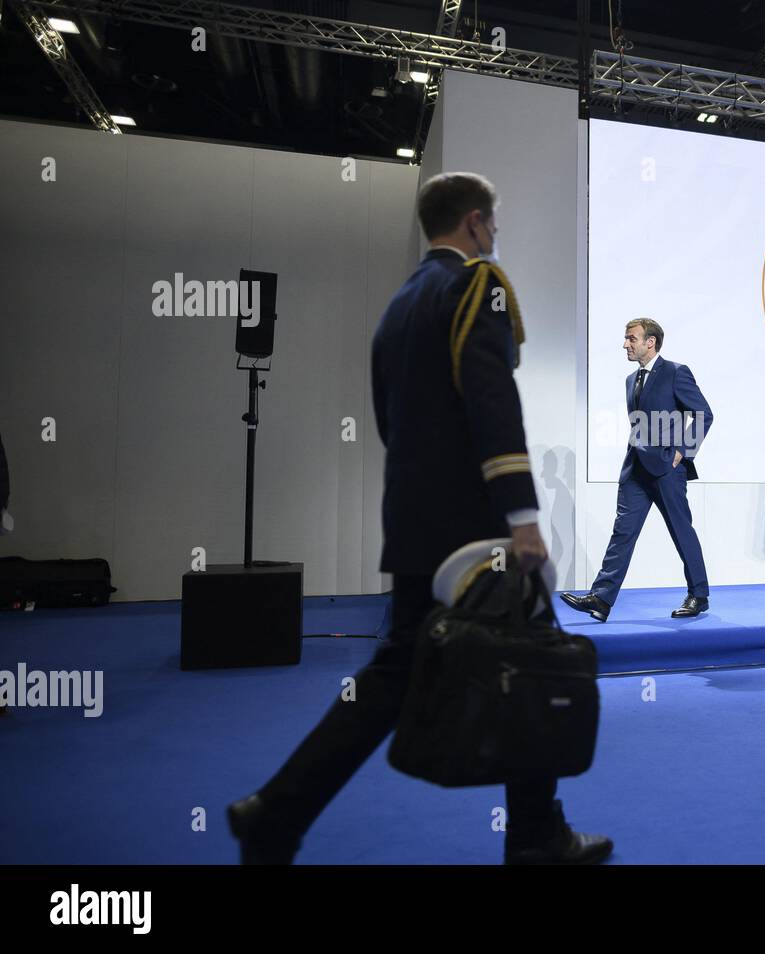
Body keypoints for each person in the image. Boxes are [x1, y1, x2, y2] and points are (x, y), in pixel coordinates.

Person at [226, 172, 612, 865]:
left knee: (397, 675)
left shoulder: (401, 303)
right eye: (492, 224)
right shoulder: (478, 284)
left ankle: (276, 812)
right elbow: (493, 403)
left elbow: (387, 418)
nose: (495, 236)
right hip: (477, 528)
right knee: (534, 663)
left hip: (414, 520)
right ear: (473, 222)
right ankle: (535, 838)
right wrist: (522, 514)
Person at [561, 319, 713, 621]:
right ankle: (601, 600)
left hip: (668, 469)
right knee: (622, 533)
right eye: (626, 339)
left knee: (681, 532)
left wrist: (683, 452)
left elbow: (704, 413)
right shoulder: (631, 380)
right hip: (635, 469)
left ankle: (699, 595)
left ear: (650, 342)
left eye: (632, 339)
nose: (625, 344)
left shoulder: (675, 373)